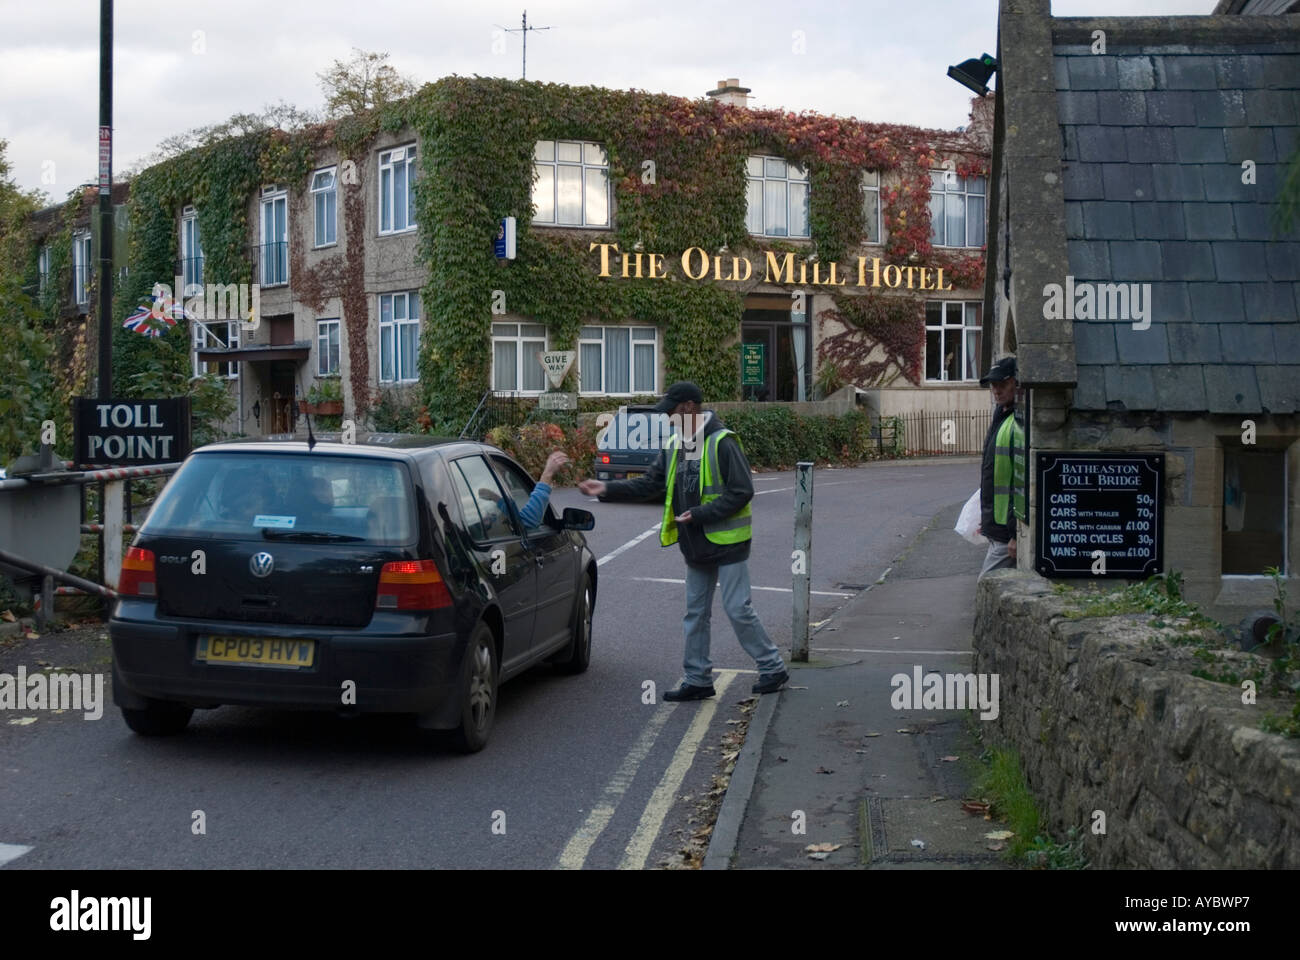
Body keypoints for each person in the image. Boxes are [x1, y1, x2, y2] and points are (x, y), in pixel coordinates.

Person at [578, 381, 789, 700]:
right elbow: (651, 483)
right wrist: (606, 489)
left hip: (728, 540)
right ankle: (698, 678)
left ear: (689, 407)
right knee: (695, 613)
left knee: (737, 609)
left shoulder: (721, 442)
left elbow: (742, 491)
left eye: (671, 413)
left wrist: (701, 514)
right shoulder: (679, 442)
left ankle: (772, 667)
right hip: (695, 544)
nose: (668, 419)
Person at [977, 356, 1025, 576]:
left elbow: (1021, 480)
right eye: (993, 385)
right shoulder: (1003, 414)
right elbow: (994, 475)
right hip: (998, 528)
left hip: (1007, 535)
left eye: (1002, 384)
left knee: (986, 585)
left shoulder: (1018, 420)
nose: (996, 390)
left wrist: (1015, 533)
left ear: (1016, 382)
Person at [479, 450, 569, 528]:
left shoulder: (479, 509)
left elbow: (511, 514)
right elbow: (527, 522)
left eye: (503, 472)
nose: (504, 478)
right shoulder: (482, 515)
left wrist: (494, 497)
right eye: (500, 473)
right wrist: (547, 474)